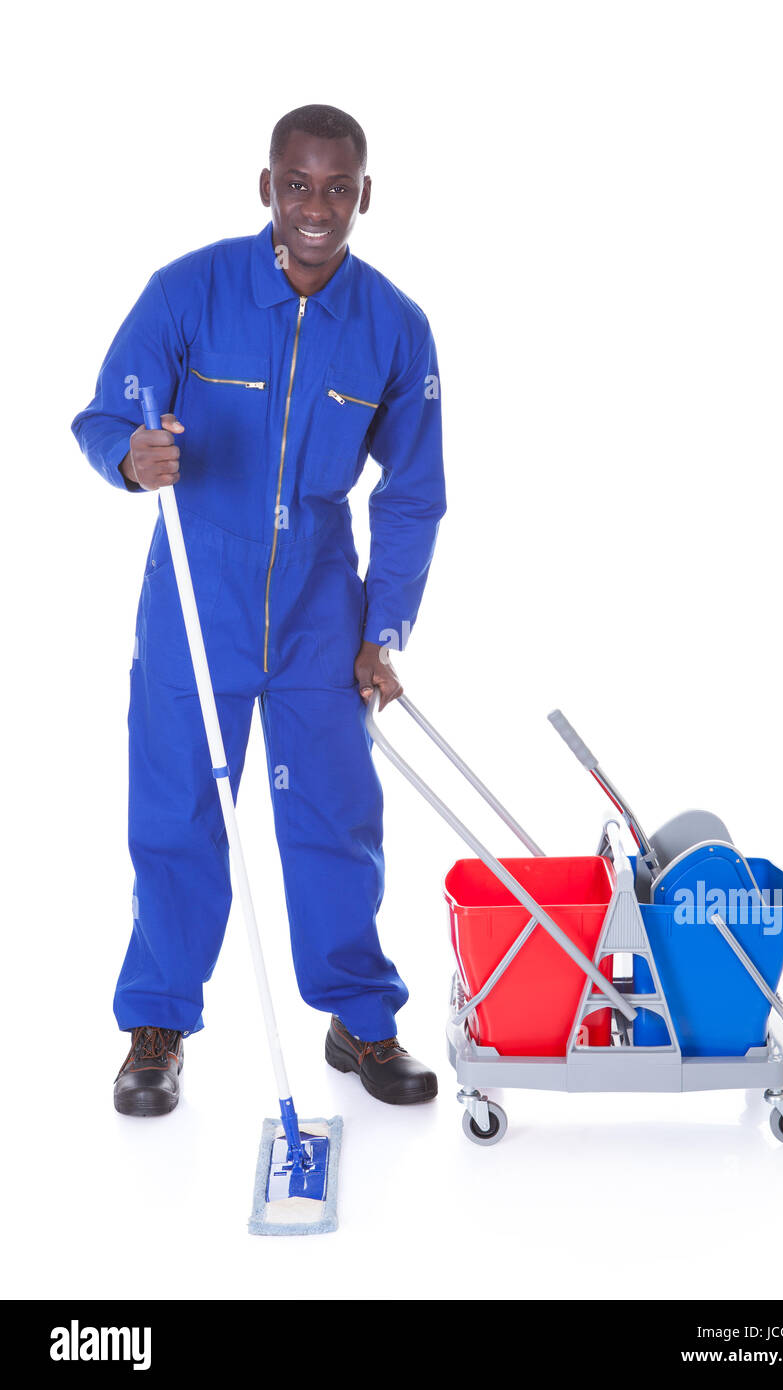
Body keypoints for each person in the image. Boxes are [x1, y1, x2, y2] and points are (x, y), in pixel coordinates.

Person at [71, 104, 446, 1117]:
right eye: (296, 184)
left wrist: (383, 628)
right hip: (200, 594)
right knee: (178, 809)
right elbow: (107, 414)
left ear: (362, 194)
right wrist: (128, 456)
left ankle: (358, 1013)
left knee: (334, 813)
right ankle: (156, 1023)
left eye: (335, 188)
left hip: (323, 599)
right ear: (266, 187)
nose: (314, 208)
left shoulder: (394, 328)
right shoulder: (187, 292)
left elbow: (411, 491)